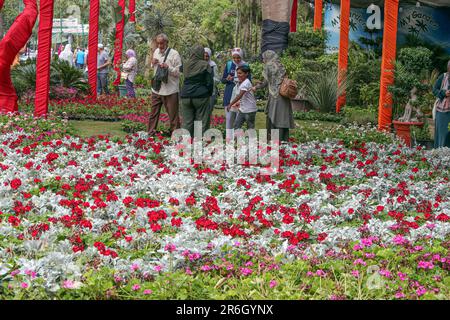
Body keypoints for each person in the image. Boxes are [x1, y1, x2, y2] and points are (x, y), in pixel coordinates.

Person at [254, 50, 294, 142]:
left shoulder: (269, 66)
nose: (263, 60)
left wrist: (256, 87)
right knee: (283, 117)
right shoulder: (280, 64)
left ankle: (275, 140)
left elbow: (265, 83)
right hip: (284, 94)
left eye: (264, 58)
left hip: (275, 96)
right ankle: (284, 140)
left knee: (274, 117)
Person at [147, 33, 182, 136]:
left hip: (170, 90)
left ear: (166, 42)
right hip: (157, 88)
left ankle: (176, 135)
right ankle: (150, 133)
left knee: (173, 115)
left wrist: (168, 68)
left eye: (161, 43)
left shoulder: (174, 54)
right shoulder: (156, 51)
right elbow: (153, 67)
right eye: (158, 43)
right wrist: (152, 63)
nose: (159, 46)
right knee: (153, 113)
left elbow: (179, 72)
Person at [180, 45, 214, 137]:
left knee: (187, 122)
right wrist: (209, 93)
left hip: (185, 95)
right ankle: (199, 144)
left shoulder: (185, 64)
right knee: (201, 121)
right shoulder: (205, 64)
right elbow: (210, 82)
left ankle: (186, 143)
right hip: (201, 96)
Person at [221, 48, 248, 130]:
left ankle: (237, 139)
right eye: (234, 58)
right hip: (229, 94)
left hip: (241, 94)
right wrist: (227, 79)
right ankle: (229, 139)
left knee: (238, 119)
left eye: (238, 57)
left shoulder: (245, 66)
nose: (236, 59)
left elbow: (248, 80)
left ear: (241, 56)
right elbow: (223, 80)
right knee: (229, 119)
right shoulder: (229, 65)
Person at [227, 65, 257, 130]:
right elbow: (235, 79)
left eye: (240, 73)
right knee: (236, 126)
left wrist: (230, 104)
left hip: (250, 110)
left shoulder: (246, 83)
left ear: (246, 74)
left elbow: (240, 96)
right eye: (237, 73)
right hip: (242, 109)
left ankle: (252, 140)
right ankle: (238, 140)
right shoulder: (243, 81)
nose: (238, 75)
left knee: (250, 128)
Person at [432, 60, 450, 148]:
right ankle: (440, 155)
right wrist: (444, 93)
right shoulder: (443, 77)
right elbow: (434, 90)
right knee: (442, 133)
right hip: (442, 112)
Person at [204, 47, 220, 129]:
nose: (205, 58)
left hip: (211, 92)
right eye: (204, 56)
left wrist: (208, 80)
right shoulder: (200, 64)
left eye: (207, 56)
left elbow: (217, 79)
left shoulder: (213, 65)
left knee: (208, 112)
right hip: (201, 92)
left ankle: (207, 129)